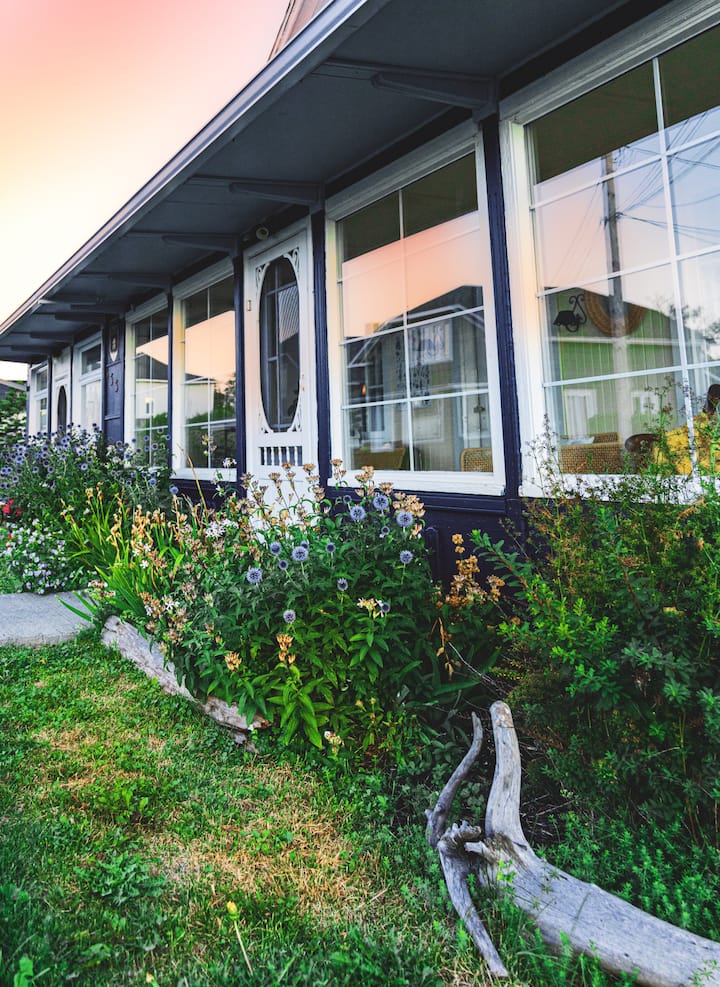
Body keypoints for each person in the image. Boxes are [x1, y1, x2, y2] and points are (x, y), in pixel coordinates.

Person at [657, 384, 720, 473]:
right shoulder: (707, 415)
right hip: (701, 434)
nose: (715, 400)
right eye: (715, 398)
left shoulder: (709, 413)